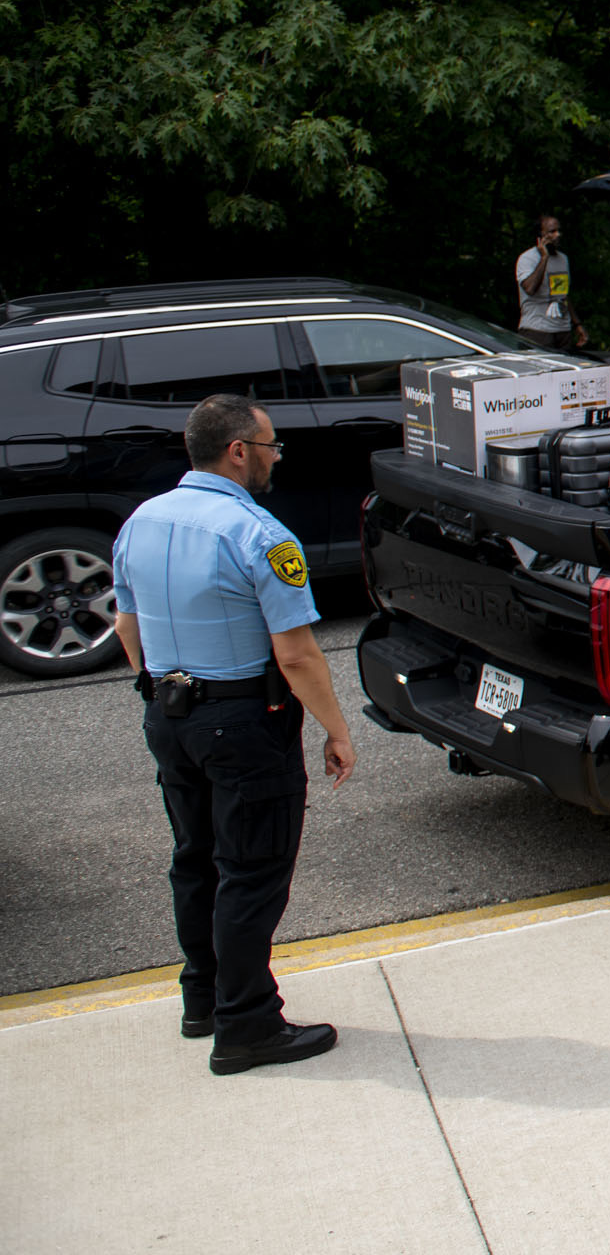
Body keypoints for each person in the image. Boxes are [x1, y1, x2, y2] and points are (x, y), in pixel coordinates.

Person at [112, 393, 358, 1075]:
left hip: (170, 712)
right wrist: (336, 731)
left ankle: (204, 999)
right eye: (272, 446)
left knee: (195, 859)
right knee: (251, 874)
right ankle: (248, 1024)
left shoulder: (142, 521)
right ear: (239, 451)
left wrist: (162, 691)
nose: (276, 458)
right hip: (245, 722)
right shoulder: (261, 536)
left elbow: (126, 627)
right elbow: (297, 655)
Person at [514, 214, 592, 353]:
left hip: (562, 331)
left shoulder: (563, 259)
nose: (558, 235)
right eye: (552, 231)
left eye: (559, 230)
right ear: (540, 235)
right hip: (537, 330)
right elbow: (530, 288)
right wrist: (544, 258)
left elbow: (562, 295)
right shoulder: (527, 259)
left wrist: (577, 324)